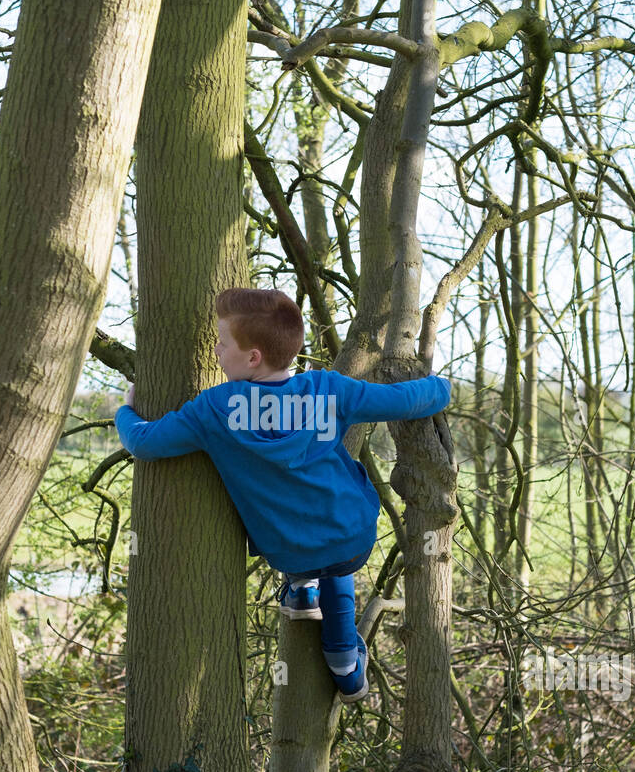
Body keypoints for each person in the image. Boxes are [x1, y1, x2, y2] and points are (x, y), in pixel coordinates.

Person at [115, 287, 451, 704]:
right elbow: (402, 399)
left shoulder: (216, 409)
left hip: (290, 551)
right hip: (352, 538)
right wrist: (442, 389)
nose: (216, 350)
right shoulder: (327, 389)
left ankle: (303, 589)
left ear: (252, 357)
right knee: (334, 549)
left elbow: (146, 443)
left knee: (306, 540)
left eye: (221, 343)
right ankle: (345, 661)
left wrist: (124, 411)